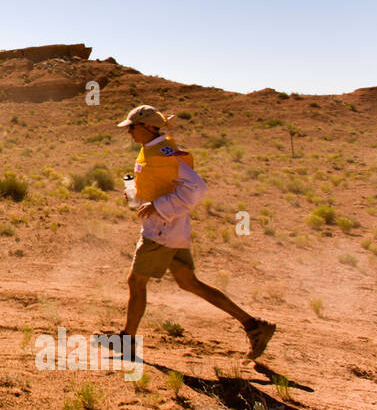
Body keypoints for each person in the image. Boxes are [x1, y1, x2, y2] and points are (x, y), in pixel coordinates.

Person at [109, 105, 275, 360]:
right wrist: (138, 195)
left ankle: (127, 341)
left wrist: (158, 206)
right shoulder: (151, 150)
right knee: (189, 283)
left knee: (136, 282)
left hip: (162, 231)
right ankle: (254, 326)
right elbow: (163, 184)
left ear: (147, 127)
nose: (128, 132)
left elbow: (196, 187)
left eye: (131, 127)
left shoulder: (165, 153)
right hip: (170, 229)